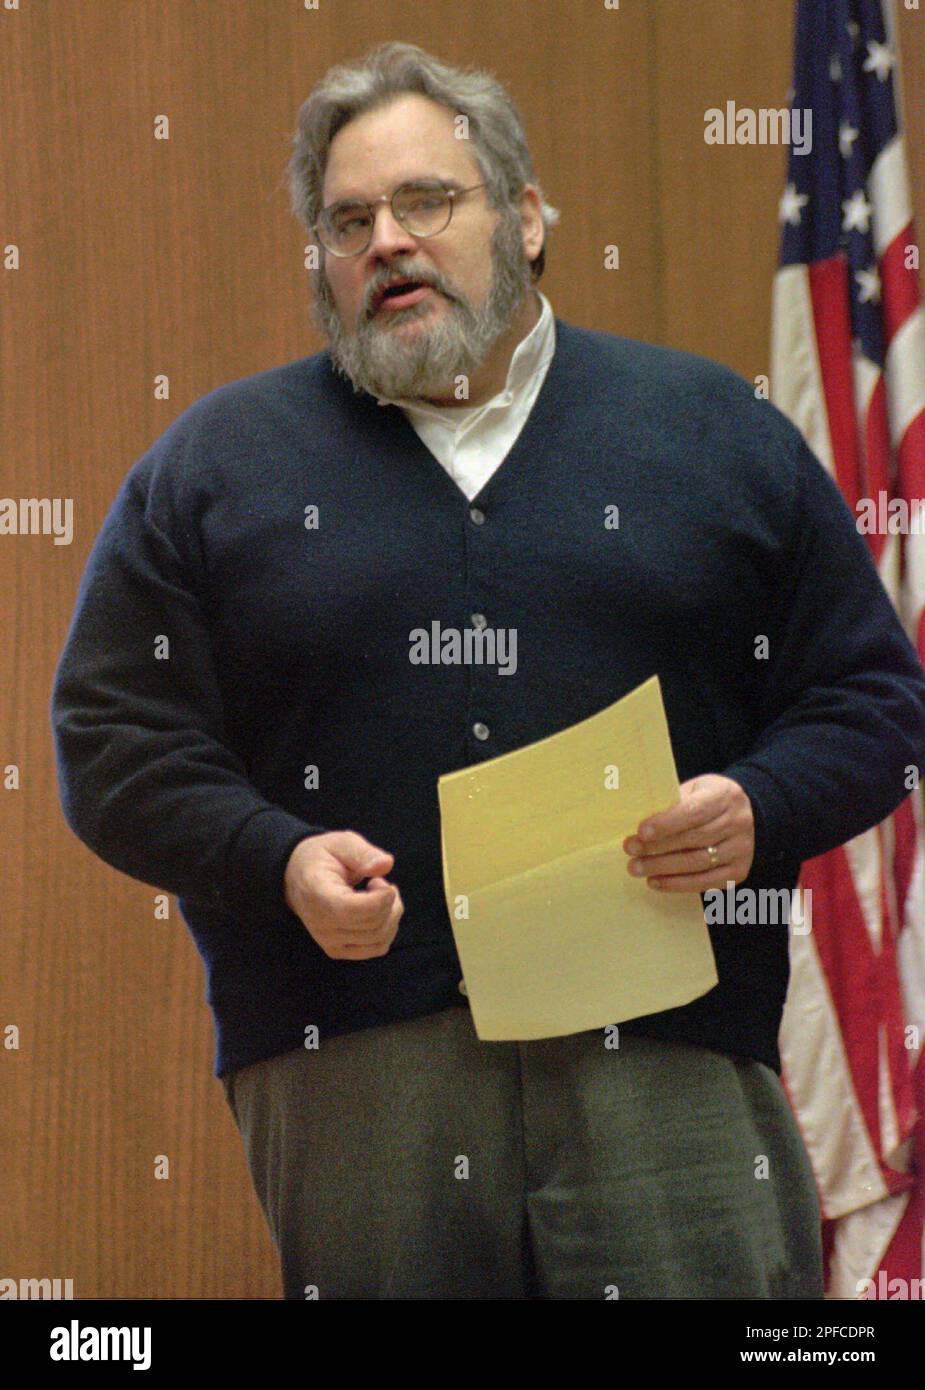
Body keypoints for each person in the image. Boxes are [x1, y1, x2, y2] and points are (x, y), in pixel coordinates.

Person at [50, 41, 925, 1300]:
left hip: (667, 1057)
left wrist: (757, 807)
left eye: (425, 201)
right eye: (347, 221)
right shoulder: (216, 468)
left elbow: (875, 700)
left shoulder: (713, 434)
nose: (387, 242)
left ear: (523, 216)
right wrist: (275, 857)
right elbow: (112, 736)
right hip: (354, 1063)